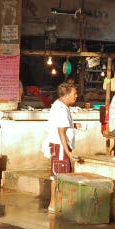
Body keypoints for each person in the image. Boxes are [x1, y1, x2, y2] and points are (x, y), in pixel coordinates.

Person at [45, 83, 79, 213]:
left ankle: (56, 204)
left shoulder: (62, 106)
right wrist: (68, 152)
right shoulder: (61, 109)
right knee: (59, 176)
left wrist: (74, 126)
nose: (76, 96)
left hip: (59, 146)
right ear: (66, 95)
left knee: (59, 175)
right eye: (74, 94)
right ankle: (54, 204)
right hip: (60, 147)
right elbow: (61, 132)